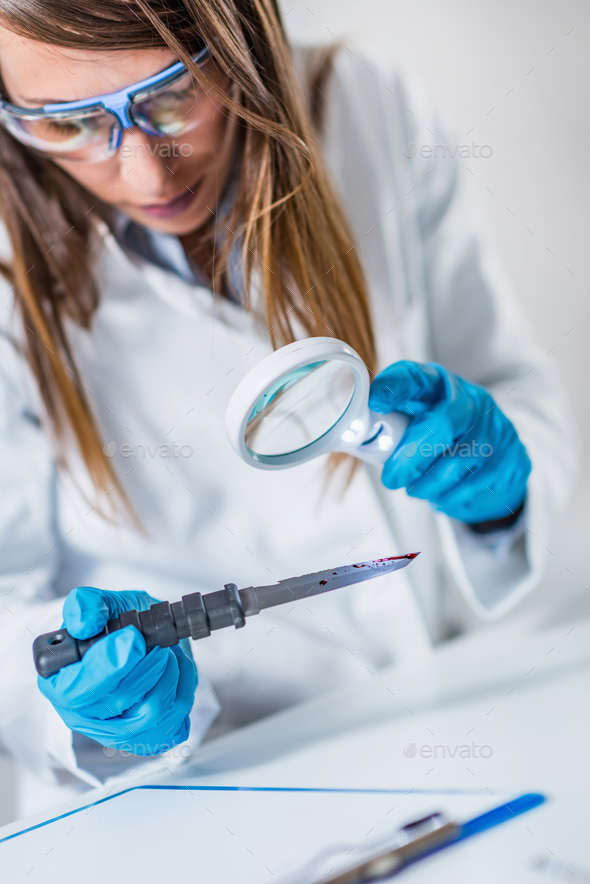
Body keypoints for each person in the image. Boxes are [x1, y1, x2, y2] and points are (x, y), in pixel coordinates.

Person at [0, 0, 575, 818]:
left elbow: (513, 385)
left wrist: (501, 495)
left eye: (174, 93)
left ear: (243, 34)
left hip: (452, 712)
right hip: (202, 799)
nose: (147, 176)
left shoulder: (366, 106)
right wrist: (91, 700)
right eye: (68, 124)